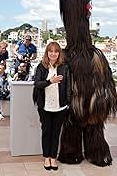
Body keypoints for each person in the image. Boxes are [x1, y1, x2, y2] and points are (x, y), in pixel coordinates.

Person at [57, 0, 117, 167]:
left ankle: (74, 151)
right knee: (91, 123)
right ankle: (94, 151)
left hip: (82, 74)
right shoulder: (94, 56)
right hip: (89, 80)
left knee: (75, 121)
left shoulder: (74, 57)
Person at [33, 42, 71, 171]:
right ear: (47, 53)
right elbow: (37, 84)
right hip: (45, 107)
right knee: (46, 132)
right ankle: (46, 157)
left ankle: (53, 157)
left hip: (60, 107)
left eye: (56, 51)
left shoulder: (64, 67)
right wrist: (50, 81)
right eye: (51, 51)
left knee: (56, 133)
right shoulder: (41, 67)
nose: (53, 54)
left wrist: (68, 103)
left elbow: (68, 87)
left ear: (59, 53)